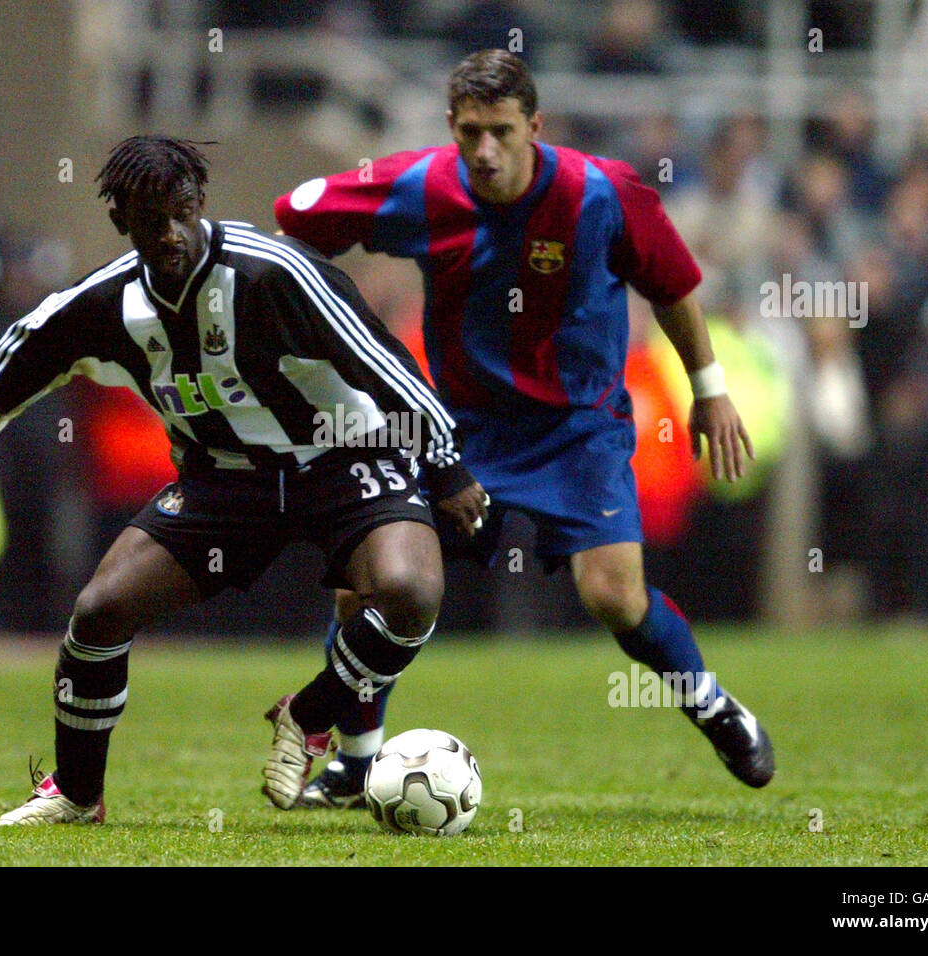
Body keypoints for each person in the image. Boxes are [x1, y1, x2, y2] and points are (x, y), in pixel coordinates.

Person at [0, 135, 486, 823]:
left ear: (200, 203)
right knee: (98, 612)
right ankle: (77, 793)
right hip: (224, 484)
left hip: (343, 458)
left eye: (183, 212)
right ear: (123, 222)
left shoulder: (273, 271)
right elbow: (32, 346)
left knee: (411, 591)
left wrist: (445, 466)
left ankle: (306, 718)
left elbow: (377, 359)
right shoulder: (108, 299)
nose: (172, 232)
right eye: (152, 221)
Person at [274, 49, 774, 807]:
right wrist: (331, 321)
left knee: (613, 596)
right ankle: (356, 761)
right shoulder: (420, 187)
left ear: (534, 127)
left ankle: (711, 703)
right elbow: (297, 218)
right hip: (454, 430)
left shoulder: (601, 193)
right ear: (451, 127)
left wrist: (709, 391)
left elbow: (671, 284)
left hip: (577, 429)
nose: (485, 151)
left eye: (502, 132)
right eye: (470, 132)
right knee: (368, 580)